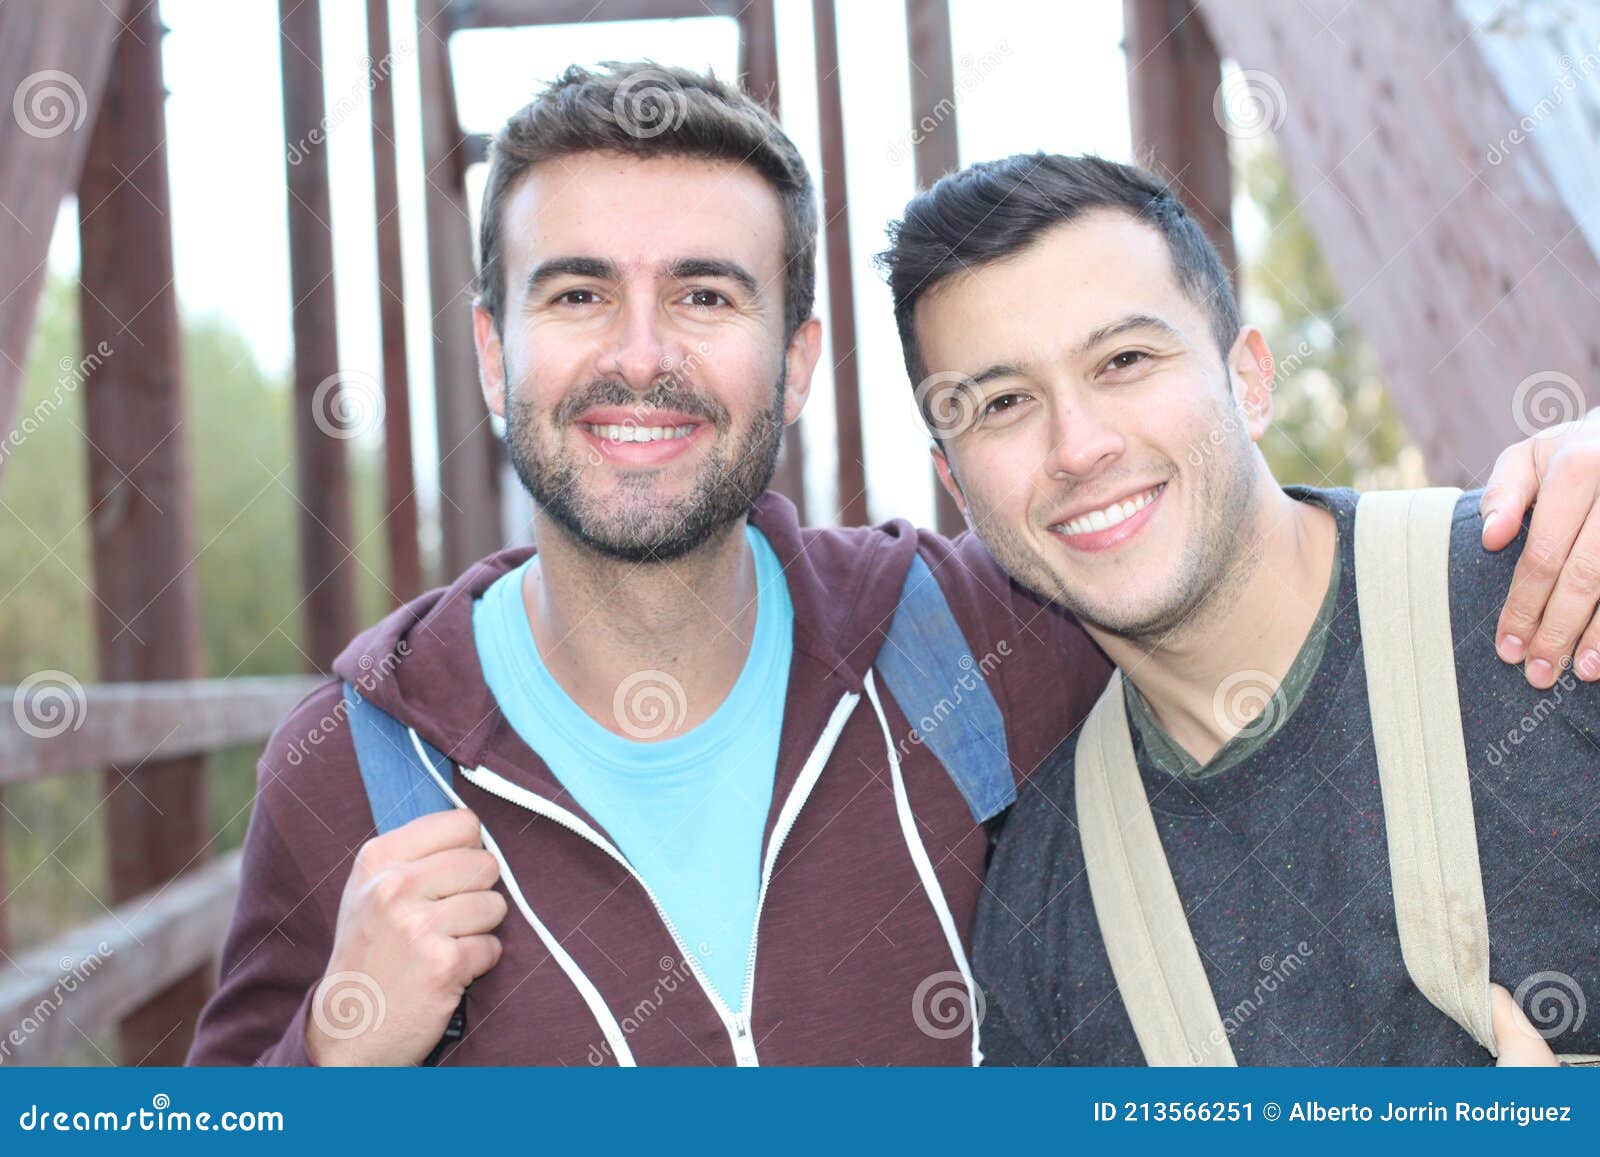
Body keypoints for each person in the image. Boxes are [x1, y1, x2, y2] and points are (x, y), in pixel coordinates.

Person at [189, 64, 1600, 1067]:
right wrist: (333, 1062)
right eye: (575, 293)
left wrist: (1567, 473)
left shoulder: (975, 642)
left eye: (705, 292)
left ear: (795, 362)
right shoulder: (350, 773)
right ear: (495, 353)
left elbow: (1239, 559)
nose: (639, 354)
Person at [876, 151, 1600, 1065]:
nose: (1078, 446)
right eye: (1004, 402)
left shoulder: (1555, 597)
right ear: (957, 483)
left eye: (1125, 359)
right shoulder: (1048, 912)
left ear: (1250, 379)